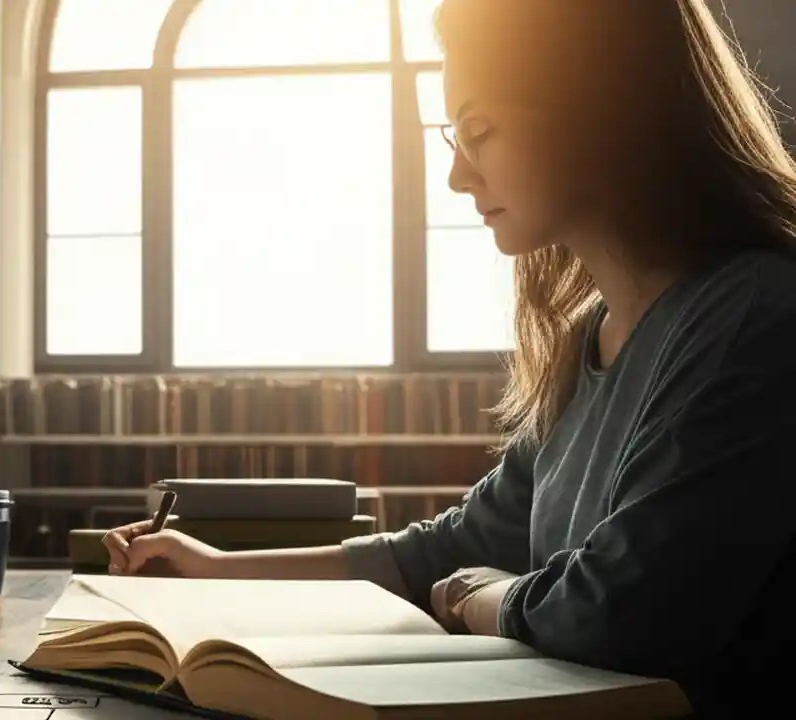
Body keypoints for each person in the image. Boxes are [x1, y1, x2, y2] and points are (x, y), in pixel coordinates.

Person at [101, 1, 796, 715]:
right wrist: (217, 570)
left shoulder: (755, 316)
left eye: (480, 130)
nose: (458, 176)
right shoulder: (586, 336)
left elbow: (622, 613)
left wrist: (479, 597)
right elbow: (457, 545)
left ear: (600, 106)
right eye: (453, 138)